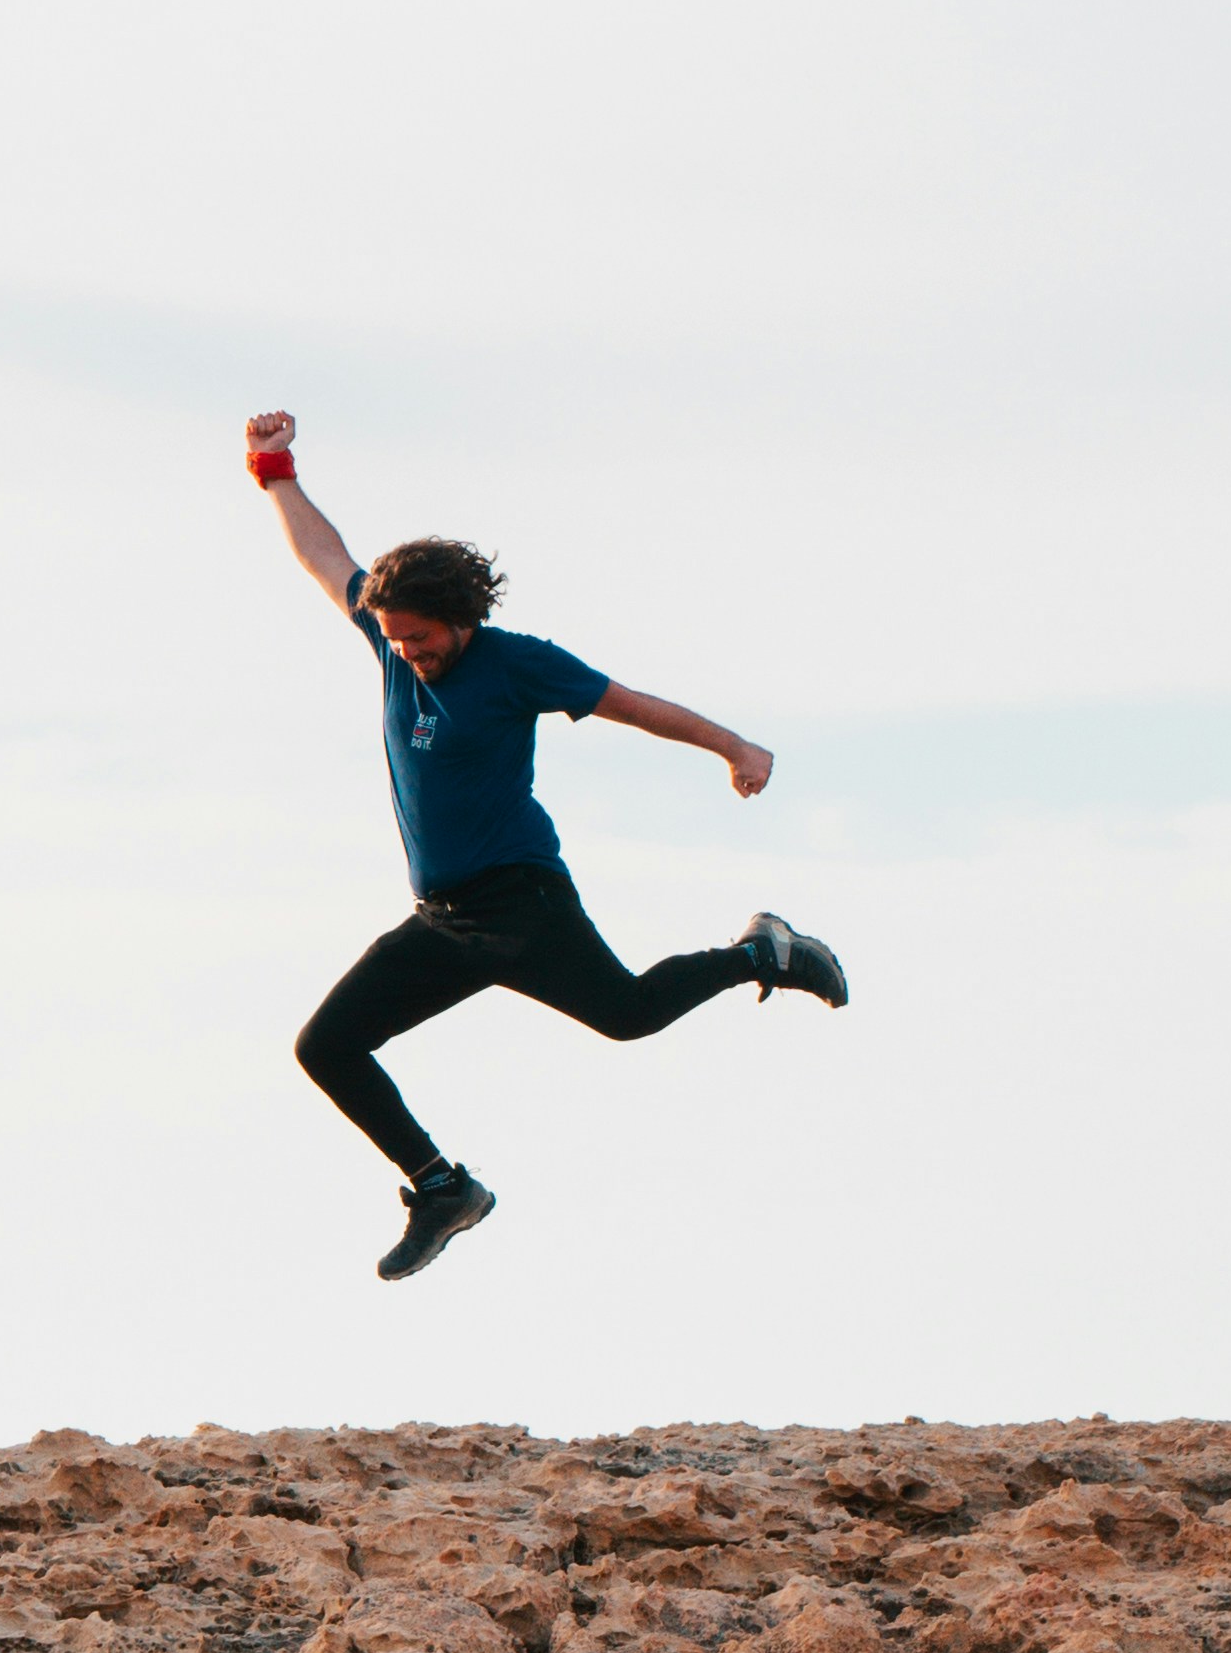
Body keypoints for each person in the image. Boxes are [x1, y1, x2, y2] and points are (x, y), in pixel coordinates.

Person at [243, 408, 845, 1281]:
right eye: (395, 638)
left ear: (458, 620)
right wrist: (275, 468)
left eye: (420, 638)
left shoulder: (517, 663)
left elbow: (635, 706)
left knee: (629, 1015)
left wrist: (733, 747)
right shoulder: (389, 636)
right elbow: (325, 557)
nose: (406, 652)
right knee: (325, 1047)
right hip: (443, 919)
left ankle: (763, 952)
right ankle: (443, 1189)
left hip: (520, 901)